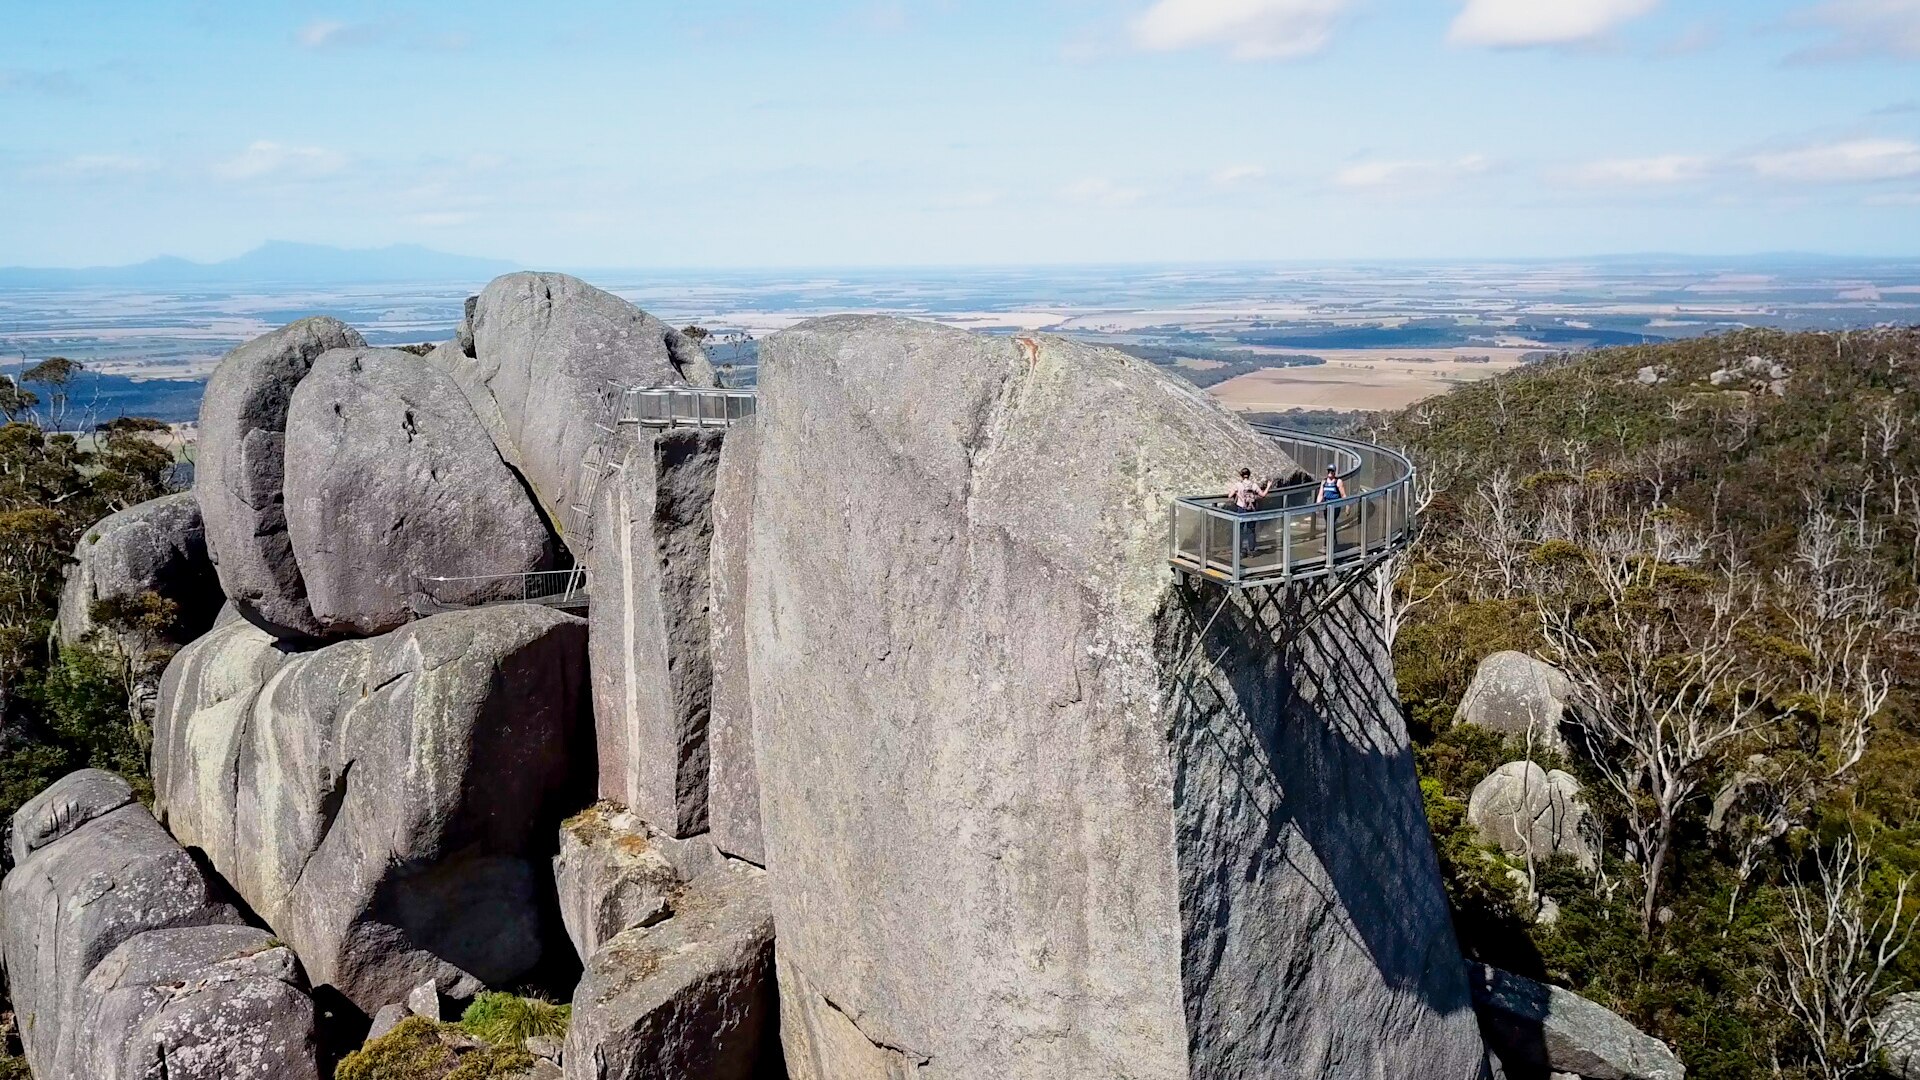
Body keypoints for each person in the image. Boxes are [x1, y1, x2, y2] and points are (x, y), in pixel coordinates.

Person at [1228, 467, 1271, 558]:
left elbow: (1229, 495)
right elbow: (1263, 495)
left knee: (1240, 530)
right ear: (1249, 474)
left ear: (1241, 475)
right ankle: (1251, 551)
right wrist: (1268, 486)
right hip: (1251, 509)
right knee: (1251, 529)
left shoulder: (1238, 485)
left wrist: (1236, 493)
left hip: (1241, 509)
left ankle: (1240, 551)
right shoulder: (1254, 485)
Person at [1315, 465, 1348, 538]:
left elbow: (1343, 495)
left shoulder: (1338, 481)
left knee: (1331, 522)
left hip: (1335, 506)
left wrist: (1347, 506)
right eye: (1329, 471)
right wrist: (1317, 506)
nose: (1330, 473)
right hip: (1326, 506)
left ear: (1334, 472)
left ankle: (1329, 541)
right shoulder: (1324, 482)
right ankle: (1332, 540)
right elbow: (1320, 495)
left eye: (1332, 471)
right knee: (1328, 523)